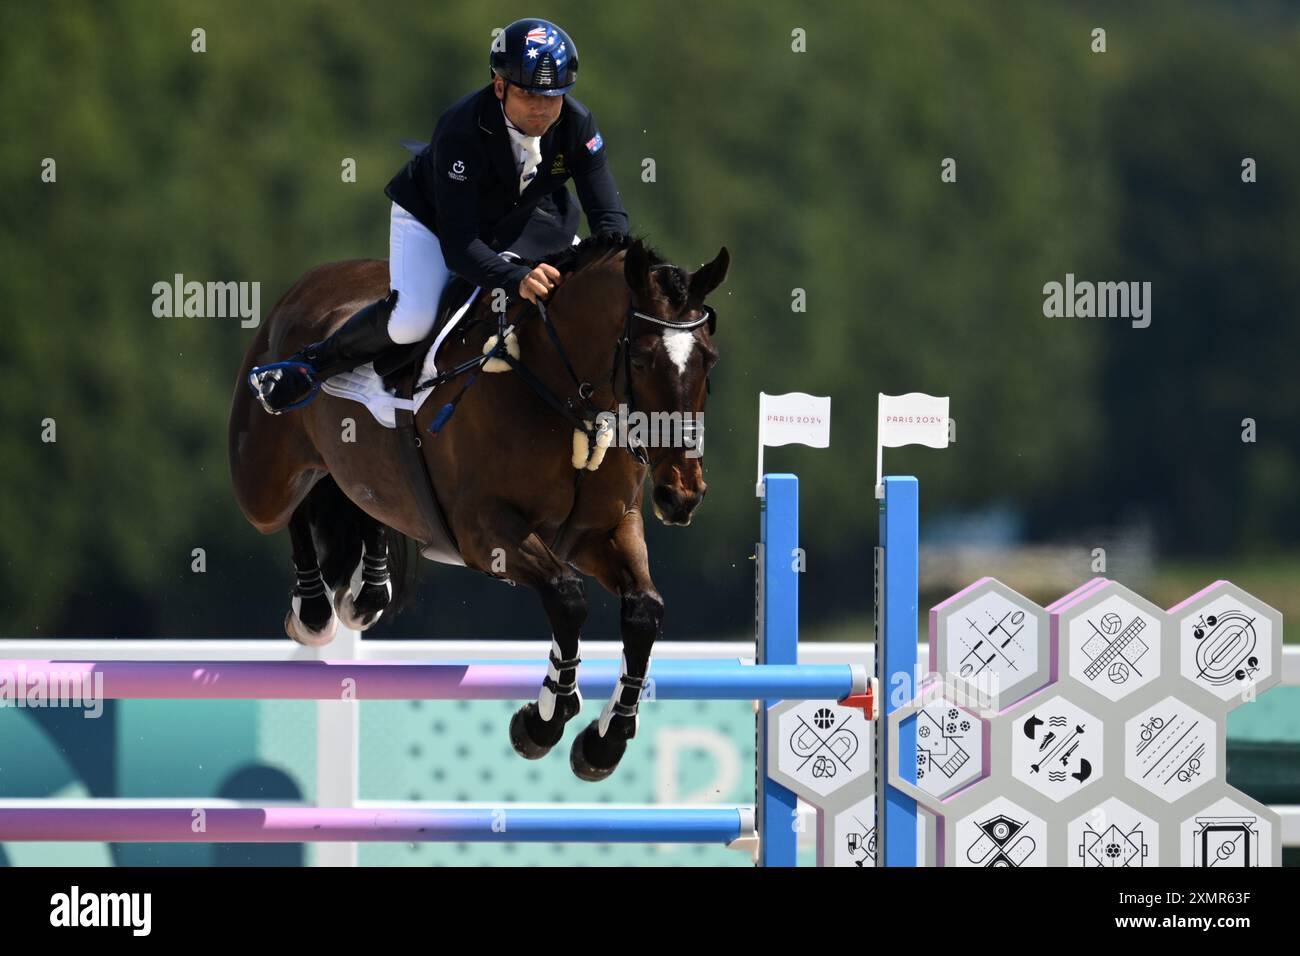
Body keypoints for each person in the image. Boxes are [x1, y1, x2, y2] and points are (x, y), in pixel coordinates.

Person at [249, 18, 630, 413]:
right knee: (412, 319)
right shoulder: (462, 128)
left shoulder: (577, 123)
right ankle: (313, 364)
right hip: (434, 218)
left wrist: (612, 274)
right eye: (529, 95)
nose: (542, 108)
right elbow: (461, 247)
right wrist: (518, 278)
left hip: (526, 218)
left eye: (553, 97)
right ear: (500, 86)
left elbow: (610, 220)